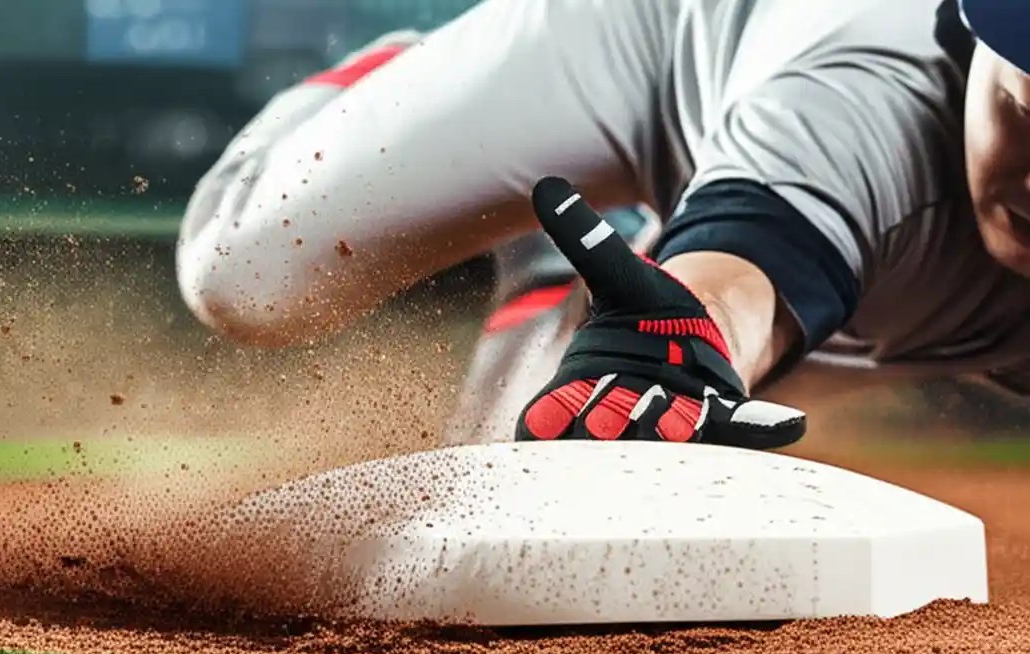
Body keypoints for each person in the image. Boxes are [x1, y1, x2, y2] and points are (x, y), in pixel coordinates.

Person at [176, 0, 1030, 448]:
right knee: (244, 276)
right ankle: (407, 76)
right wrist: (680, 331)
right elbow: (727, 290)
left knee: (541, 486)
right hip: (646, 46)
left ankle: (567, 275)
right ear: (977, 36)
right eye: (1028, 109)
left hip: (859, 286)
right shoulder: (871, 107)